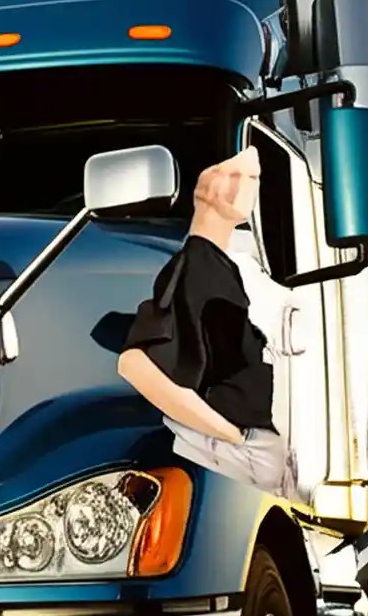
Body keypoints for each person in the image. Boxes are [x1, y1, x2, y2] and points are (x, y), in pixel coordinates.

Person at [116, 146, 311, 504]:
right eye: (249, 180)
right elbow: (135, 364)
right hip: (241, 450)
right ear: (225, 191)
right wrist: (229, 434)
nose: (253, 190)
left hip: (253, 446)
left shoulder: (220, 266)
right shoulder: (195, 267)